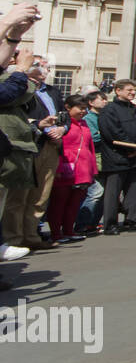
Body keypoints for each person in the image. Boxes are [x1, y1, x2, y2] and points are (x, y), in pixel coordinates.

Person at [2, 54, 65, 249]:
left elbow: (63, 115)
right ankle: (13, 239)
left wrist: (62, 128)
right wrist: (39, 125)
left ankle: (31, 236)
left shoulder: (52, 91)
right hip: (28, 145)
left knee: (40, 196)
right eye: (38, 65)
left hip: (50, 146)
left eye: (46, 66)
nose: (43, 70)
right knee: (18, 197)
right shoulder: (17, 86)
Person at [97, 79, 136, 234]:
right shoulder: (109, 110)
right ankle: (110, 223)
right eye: (129, 90)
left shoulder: (135, 110)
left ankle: (134, 219)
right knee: (113, 193)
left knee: (135, 189)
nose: (133, 93)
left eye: (134, 90)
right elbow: (112, 132)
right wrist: (131, 147)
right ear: (118, 91)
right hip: (117, 156)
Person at [47, 94, 97, 243]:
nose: (83, 111)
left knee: (74, 204)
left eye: (85, 108)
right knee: (59, 203)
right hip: (65, 167)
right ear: (68, 107)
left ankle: (69, 230)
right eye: (80, 108)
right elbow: (55, 147)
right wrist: (57, 169)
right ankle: (56, 233)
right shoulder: (61, 125)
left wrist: (93, 169)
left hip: (82, 169)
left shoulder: (84, 123)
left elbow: (90, 147)